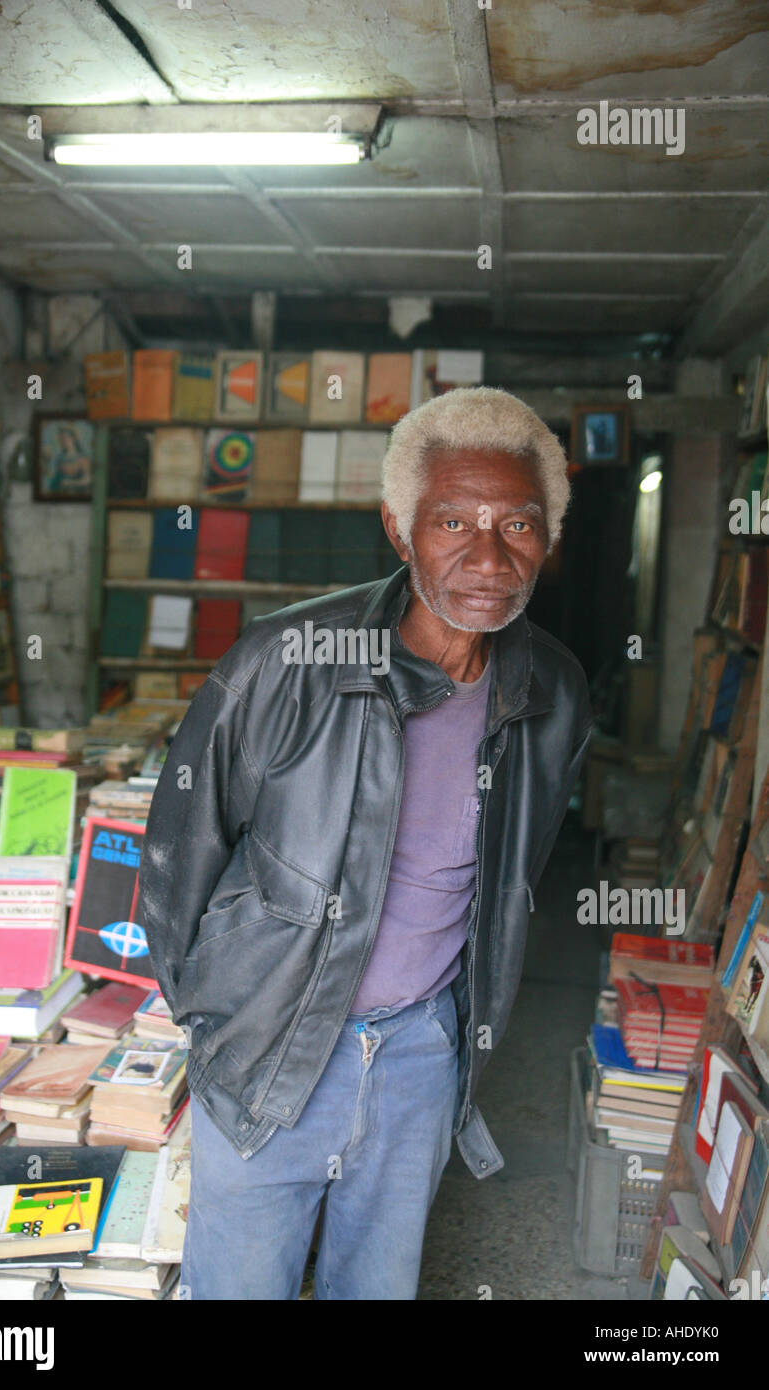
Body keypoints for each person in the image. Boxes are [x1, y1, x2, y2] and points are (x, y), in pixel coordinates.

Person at [139, 385, 593, 1300]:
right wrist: (218, 1020)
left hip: (423, 1053)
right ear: (399, 530)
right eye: (453, 521)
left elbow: (508, 874)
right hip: (269, 1046)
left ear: (548, 536)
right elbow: (176, 859)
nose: (488, 557)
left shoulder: (556, 691)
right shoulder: (281, 662)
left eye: (518, 525)